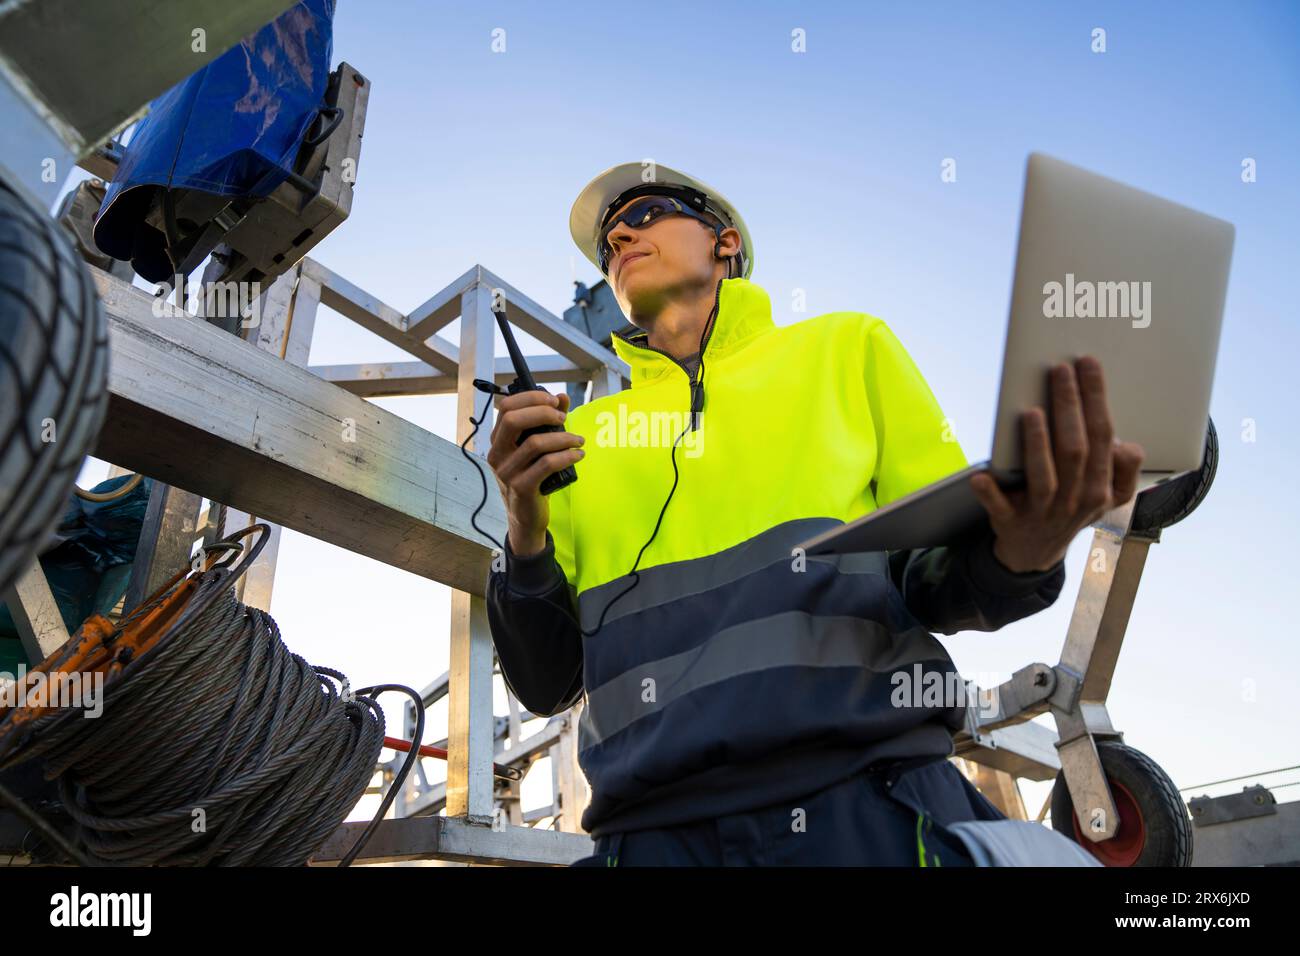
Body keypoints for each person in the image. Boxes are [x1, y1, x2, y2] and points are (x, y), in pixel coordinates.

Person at [482, 162, 1145, 865]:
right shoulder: (581, 440)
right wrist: (524, 528)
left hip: (868, 804)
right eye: (607, 245)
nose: (618, 237)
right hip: (648, 836)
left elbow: (943, 580)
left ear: (724, 243)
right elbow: (547, 681)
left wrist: (1025, 552)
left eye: (644, 214)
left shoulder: (845, 349)